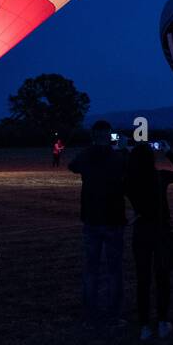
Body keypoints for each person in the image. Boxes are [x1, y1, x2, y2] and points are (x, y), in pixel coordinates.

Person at [124, 140, 173, 340]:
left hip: (141, 231)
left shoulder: (129, 180)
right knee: (162, 278)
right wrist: (169, 153)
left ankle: (144, 325)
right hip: (160, 231)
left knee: (143, 280)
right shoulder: (159, 177)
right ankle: (162, 321)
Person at [69, 120, 128, 327]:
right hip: (113, 219)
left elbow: (72, 166)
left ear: (94, 135)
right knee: (114, 270)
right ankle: (114, 315)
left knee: (91, 269)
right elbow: (128, 170)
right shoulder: (117, 157)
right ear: (109, 135)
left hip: (91, 219)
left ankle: (90, 314)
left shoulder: (86, 155)